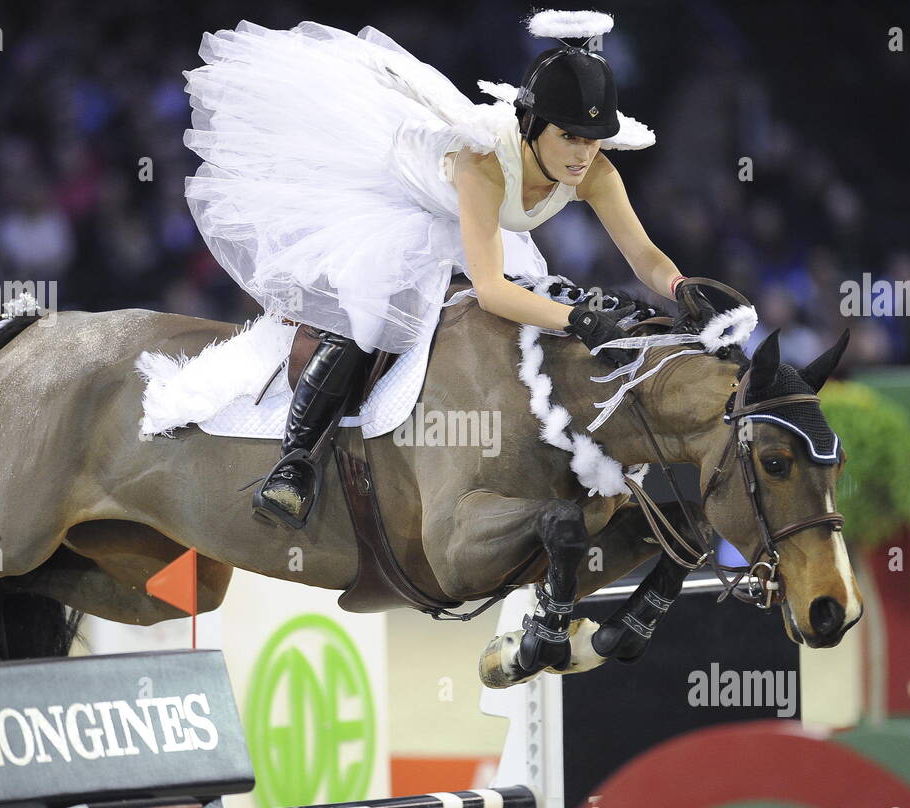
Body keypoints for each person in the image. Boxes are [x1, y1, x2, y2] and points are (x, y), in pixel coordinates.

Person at [183, 11, 688, 529]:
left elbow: (644, 256)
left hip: (472, 217)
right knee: (374, 314)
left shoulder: (594, 170)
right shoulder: (485, 165)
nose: (585, 153)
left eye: (594, 138)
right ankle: (293, 465)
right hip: (397, 194)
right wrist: (577, 319)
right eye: (571, 137)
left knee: (536, 301)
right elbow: (491, 290)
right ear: (532, 126)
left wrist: (682, 286)